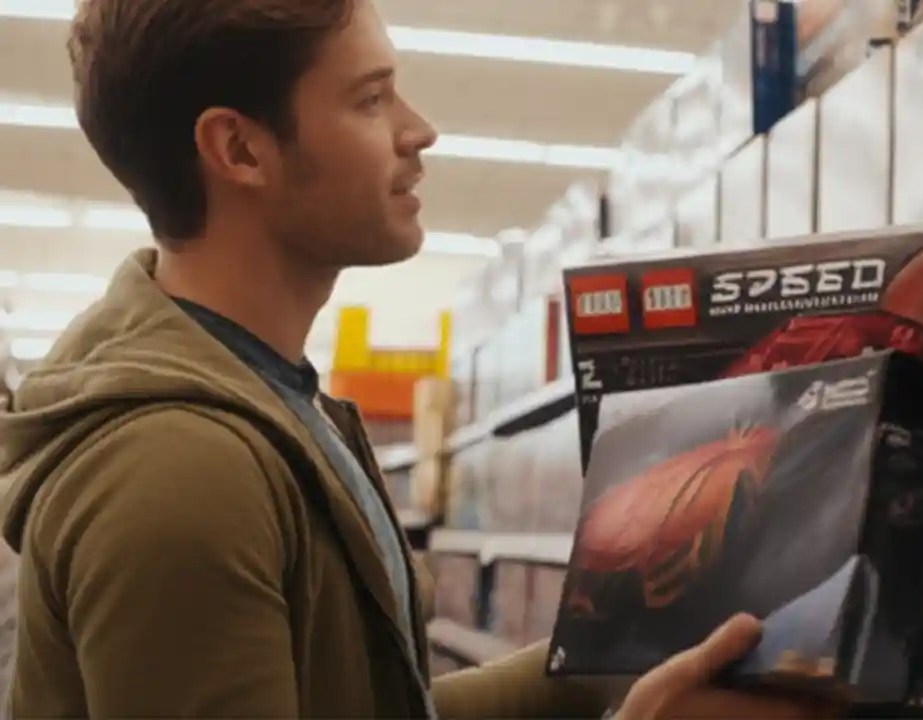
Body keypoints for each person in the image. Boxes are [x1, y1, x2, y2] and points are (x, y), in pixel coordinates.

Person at [0, 1, 835, 717]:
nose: (418, 130)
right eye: (371, 99)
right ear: (241, 151)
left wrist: (615, 657)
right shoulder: (179, 470)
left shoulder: (270, 398)